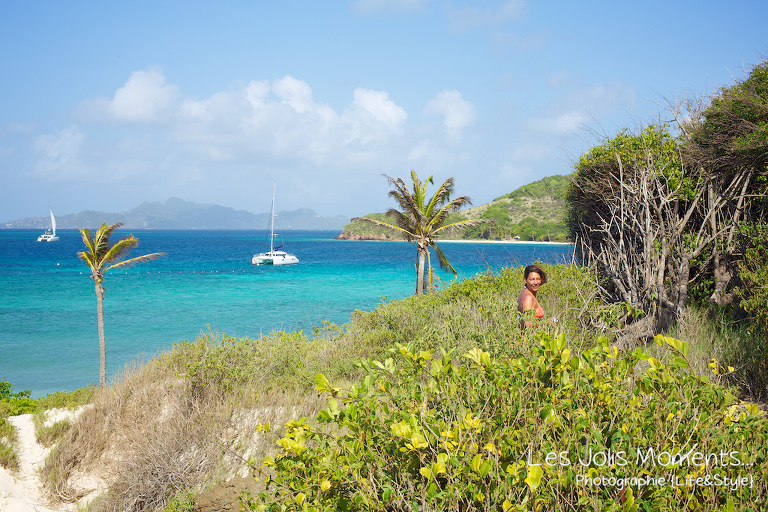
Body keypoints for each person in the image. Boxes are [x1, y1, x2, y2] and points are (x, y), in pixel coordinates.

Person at [517, 264, 547, 330]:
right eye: (532, 279)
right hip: (526, 336)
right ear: (525, 280)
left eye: (538, 279)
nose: (535, 282)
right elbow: (527, 323)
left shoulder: (525, 292)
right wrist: (548, 322)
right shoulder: (528, 298)